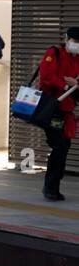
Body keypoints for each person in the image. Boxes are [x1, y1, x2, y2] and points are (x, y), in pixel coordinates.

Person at [38, 26, 79, 201]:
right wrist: (65, 83)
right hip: (52, 109)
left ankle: (54, 184)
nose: (77, 45)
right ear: (67, 39)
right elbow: (46, 76)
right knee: (59, 147)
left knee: (65, 147)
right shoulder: (54, 53)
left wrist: (73, 85)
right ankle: (50, 187)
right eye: (75, 42)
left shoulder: (77, 59)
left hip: (67, 111)